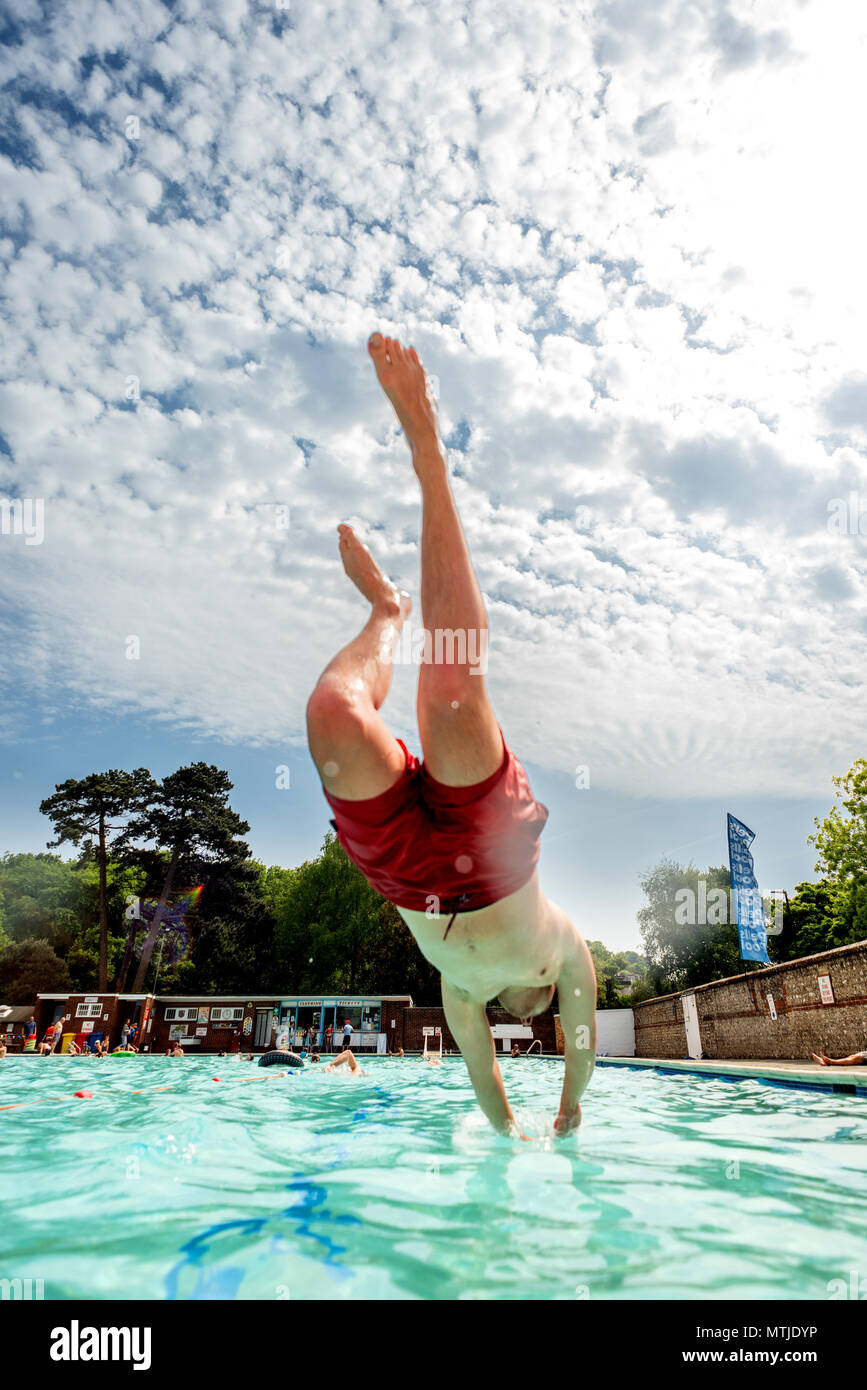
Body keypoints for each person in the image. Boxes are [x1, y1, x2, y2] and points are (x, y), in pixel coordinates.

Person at [305, 333, 597, 1136]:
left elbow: (479, 1068)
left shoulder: (463, 994)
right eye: (531, 1011)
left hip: (406, 877)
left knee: (332, 719)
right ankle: (428, 456)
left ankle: (385, 613)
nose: (524, 1013)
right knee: (451, 683)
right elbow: (579, 1038)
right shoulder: (565, 950)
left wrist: (512, 1133)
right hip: (496, 855)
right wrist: (570, 1107)